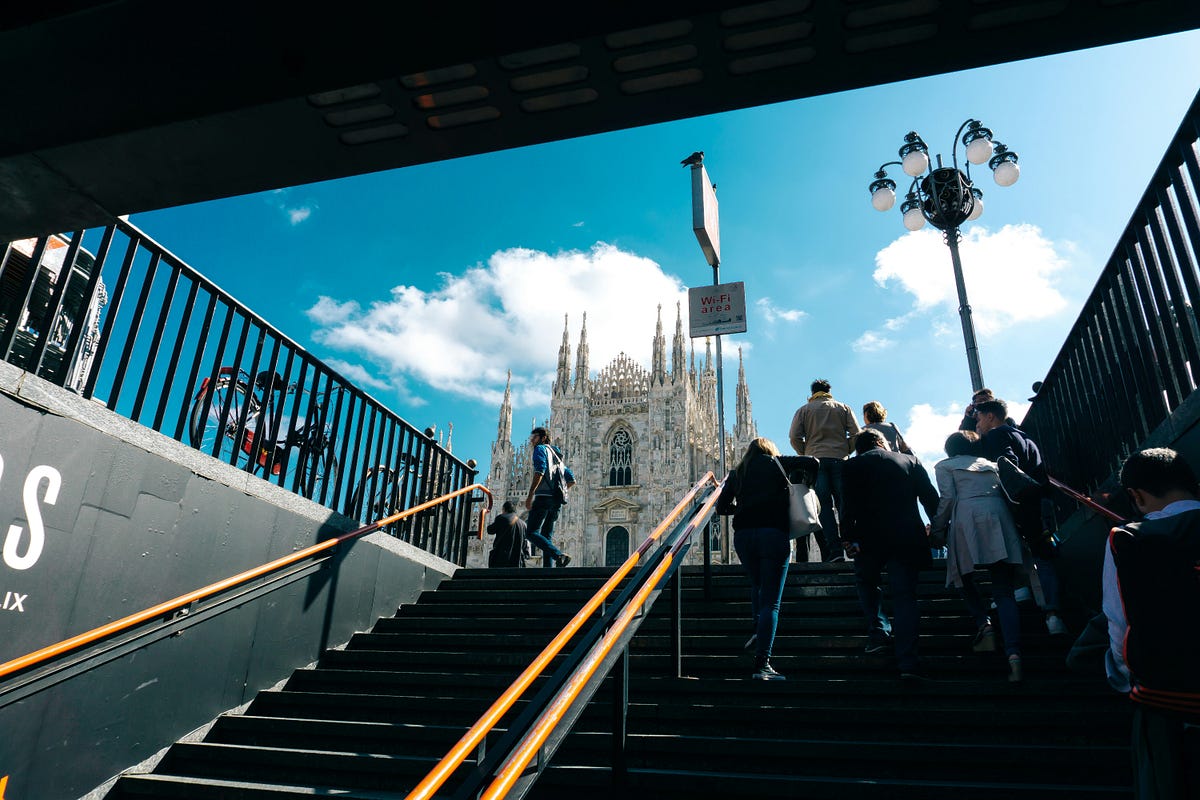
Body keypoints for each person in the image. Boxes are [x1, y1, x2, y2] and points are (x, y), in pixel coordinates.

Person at [1104, 447, 1200, 799]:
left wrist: (1124, 678)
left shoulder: (1127, 538)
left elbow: (1118, 622)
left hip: (1166, 697)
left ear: (1136, 495)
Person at [841, 429, 940, 681]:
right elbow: (930, 498)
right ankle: (908, 662)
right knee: (905, 597)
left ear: (859, 448)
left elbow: (847, 505)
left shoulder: (853, 466)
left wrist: (847, 538)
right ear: (882, 442)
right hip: (906, 537)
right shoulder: (910, 461)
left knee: (867, 583)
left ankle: (879, 632)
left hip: (868, 539)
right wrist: (939, 529)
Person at [930, 430, 1026, 682]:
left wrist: (938, 529)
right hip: (998, 514)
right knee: (1003, 589)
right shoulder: (992, 465)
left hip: (967, 518)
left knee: (962, 575)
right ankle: (1014, 654)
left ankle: (984, 625)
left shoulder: (945, 466)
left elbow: (947, 498)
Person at [717, 436, 809, 681]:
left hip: (744, 536)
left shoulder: (739, 472)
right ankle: (762, 663)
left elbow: (720, 507)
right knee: (771, 602)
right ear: (770, 449)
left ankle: (758, 629)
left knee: (757, 585)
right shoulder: (778, 463)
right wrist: (805, 484)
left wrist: (744, 508)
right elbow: (812, 462)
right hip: (773, 533)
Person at [974, 398, 1067, 636]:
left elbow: (1007, 463)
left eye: (979, 417)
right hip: (1041, 499)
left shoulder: (995, 435)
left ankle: (1023, 593)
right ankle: (1053, 614)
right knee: (1044, 555)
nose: (978, 423)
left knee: (1017, 551)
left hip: (1020, 503)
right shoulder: (1025, 438)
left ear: (990, 416)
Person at [789, 378, 860, 561]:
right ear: (829, 391)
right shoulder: (843, 408)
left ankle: (835, 551)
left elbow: (794, 436)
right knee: (844, 504)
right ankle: (850, 543)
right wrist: (846, 449)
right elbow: (857, 434)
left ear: (813, 393)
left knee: (824, 507)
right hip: (840, 461)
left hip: (816, 462)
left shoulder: (804, 410)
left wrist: (806, 453)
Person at [524, 427, 575, 568]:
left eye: (534, 437)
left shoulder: (540, 450)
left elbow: (539, 471)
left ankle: (559, 555)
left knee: (531, 532)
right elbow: (571, 480)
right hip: (556, 502)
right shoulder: (557, 456)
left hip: (543, 498)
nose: (531, 440)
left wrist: (530, 495)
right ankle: (548, 568)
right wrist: (557, 494)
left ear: (543, 438)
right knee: (546, 536)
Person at [486, 500, 527, 568]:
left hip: (502, 559)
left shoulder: (501, 518)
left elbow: (490, 530)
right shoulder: (523, 524)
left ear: (504, 509)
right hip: (518, 561)